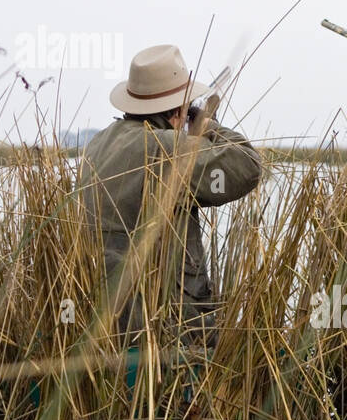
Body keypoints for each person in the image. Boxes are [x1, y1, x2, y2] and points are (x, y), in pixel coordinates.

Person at [76, 44, 262, 349]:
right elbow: (247, 165)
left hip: (105, 329)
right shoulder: (165, 148)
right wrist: (205, 124)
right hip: (164, 335)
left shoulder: (99, 144)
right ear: (177, 111)